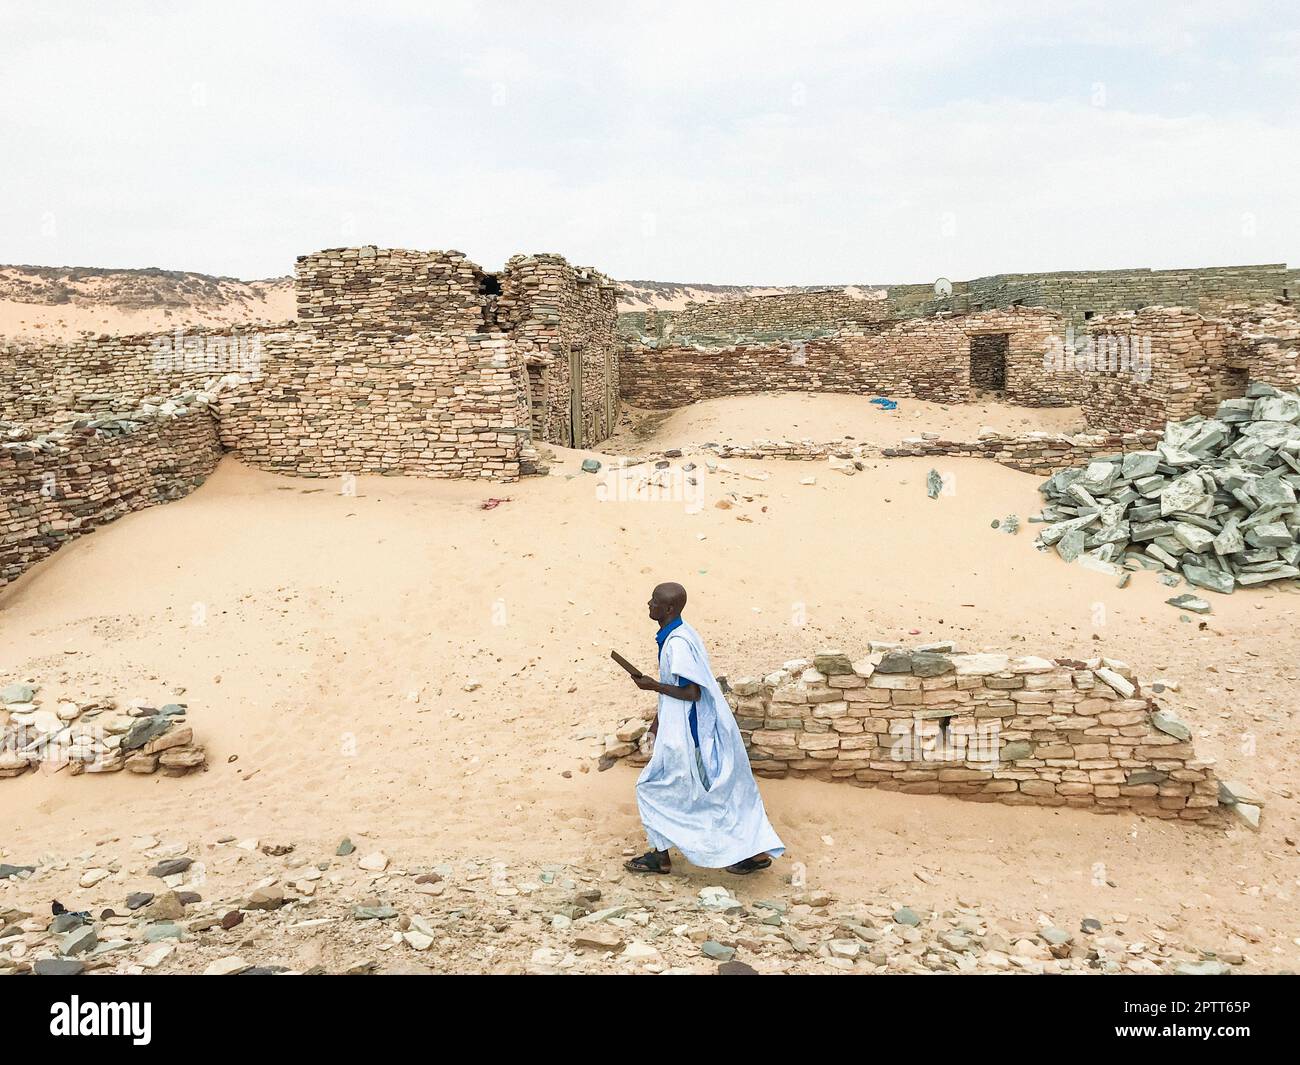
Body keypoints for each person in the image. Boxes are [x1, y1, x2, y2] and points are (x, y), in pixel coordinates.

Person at [621, 582, 784, 876]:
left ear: (668, 609)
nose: (648, 603)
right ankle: (750, 852)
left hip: (688, 735)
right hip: (684, 729)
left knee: (652, 789)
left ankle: (664, 857)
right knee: (713, 792)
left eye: (654, 600)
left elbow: (693, 692)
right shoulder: (679, 634)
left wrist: (652, 685)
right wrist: (656, 723)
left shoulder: (678, 644)